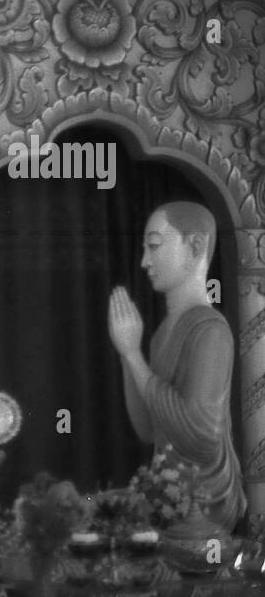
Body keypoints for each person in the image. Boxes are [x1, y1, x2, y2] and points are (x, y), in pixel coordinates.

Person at [108, 201, 246, 541]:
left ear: (195, 246)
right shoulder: (162, 335)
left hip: (206, 506)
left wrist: (131, 354)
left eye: (154, 246)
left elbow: (200, 436)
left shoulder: (210, 330)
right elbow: (148, 429)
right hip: (167, 498)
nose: (144, 262)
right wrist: (130, 354)